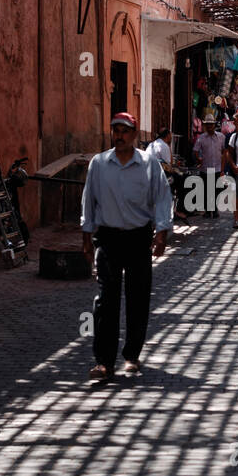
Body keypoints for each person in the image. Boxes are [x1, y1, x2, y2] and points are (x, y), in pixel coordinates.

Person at [81, 112, 173, 382]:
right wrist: (86, 237)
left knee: (138, 298)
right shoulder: (98, 164)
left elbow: (162, 198)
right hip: (108, 239)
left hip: (137, 238)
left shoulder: (148, 164)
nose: (119, 135)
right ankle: (104, 362)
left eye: (124, 130)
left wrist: (161, 233)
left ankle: (132, 354)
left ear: (134, 134)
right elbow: (89, 201)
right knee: (105, 301)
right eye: (115, 130)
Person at [192, 114, 223, 216]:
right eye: (208, 125)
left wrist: (223, 166)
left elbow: (225, 151)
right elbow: (195, 150)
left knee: (216, 189)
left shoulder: (221, 137)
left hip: (217, 167)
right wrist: (199, 159)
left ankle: (214, 209)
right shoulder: (201, 138)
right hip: (205, 167)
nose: (209, 127)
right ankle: (207, 210)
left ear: (214, 125)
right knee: (206, 190)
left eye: (211, 125)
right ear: (205, 126)